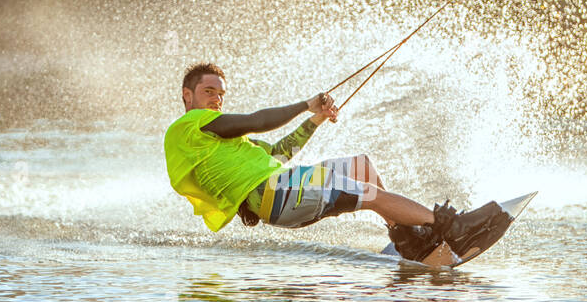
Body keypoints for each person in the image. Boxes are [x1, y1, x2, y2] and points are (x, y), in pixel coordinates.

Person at [163, 62, 507, 260]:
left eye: (221, 94)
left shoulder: (221, 142)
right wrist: (305, 104)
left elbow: (279, 153)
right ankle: (447, 225)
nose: (217, 100)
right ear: (187, 94)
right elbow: (256, 119)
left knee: (362, 167)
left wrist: (315, 120)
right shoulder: (188, 125)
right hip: (276, 194)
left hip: (283, 188)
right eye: (210, 92)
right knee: (370, 195)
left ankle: (411, 239)